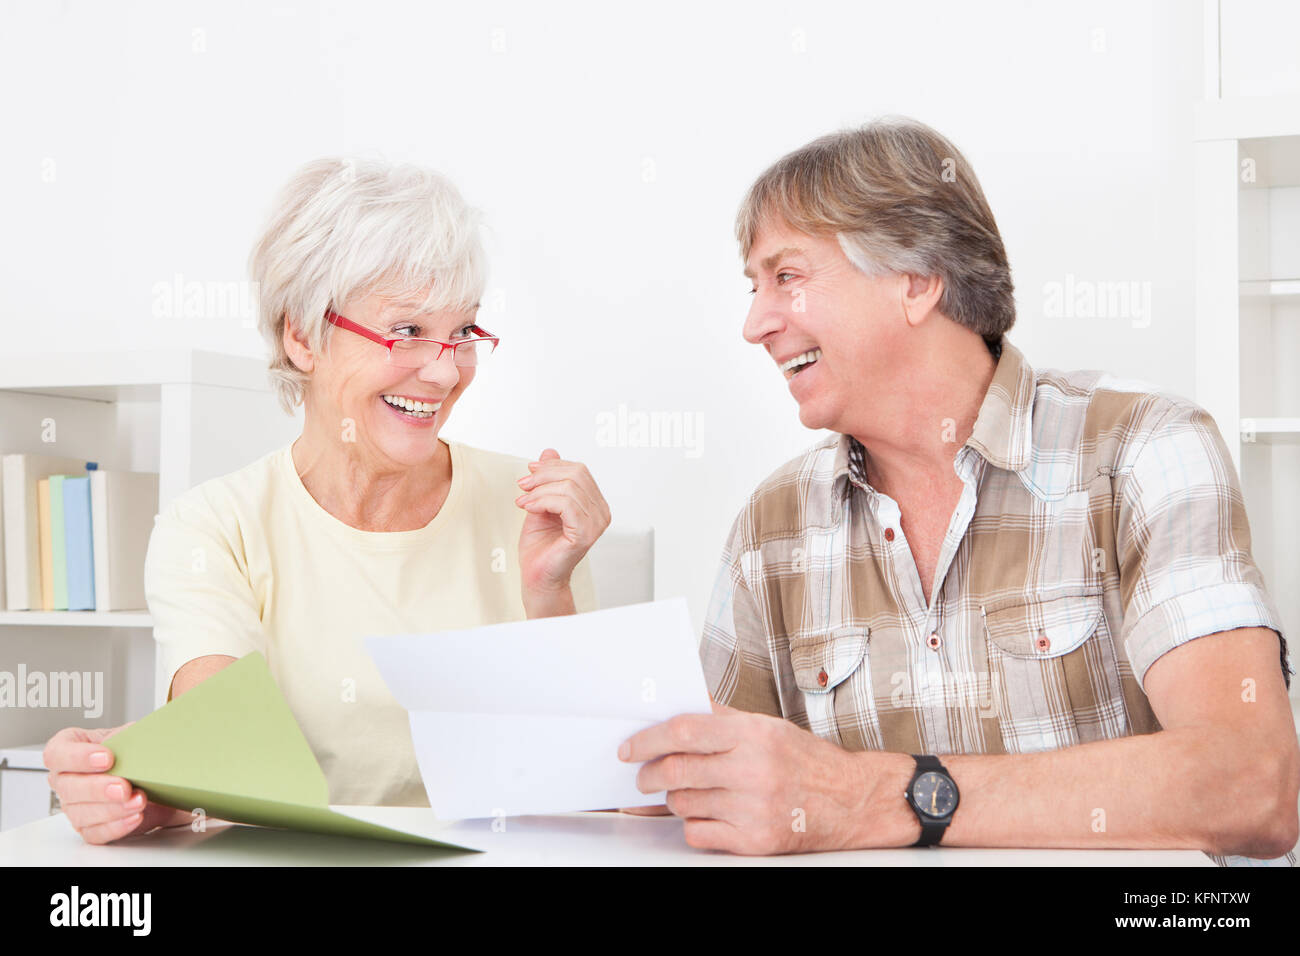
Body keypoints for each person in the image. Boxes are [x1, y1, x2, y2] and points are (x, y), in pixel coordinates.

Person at [620, 118, 1299, 864]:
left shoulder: (1145, 452)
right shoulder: (773, 524)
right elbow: (684, 796)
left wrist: (879, 797)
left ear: (915, 282)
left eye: (787, 277)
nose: (755, 324)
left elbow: (1253, 786)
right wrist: (555, 599)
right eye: (754, 286)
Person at [43, 156, 611, 844]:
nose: (444, 369)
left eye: (462, 331)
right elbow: (232, 761)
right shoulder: (213, 529)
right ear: (302, 336)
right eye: (406, 330)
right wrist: (139, 781)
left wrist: (550, 596)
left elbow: (598, 791)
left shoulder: (534, 509)